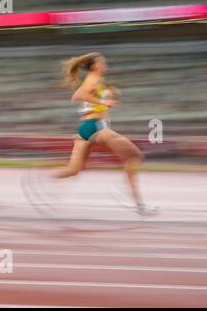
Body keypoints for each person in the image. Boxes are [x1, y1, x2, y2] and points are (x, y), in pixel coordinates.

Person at [52, 52, 154, 214]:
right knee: (135, 156)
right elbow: (78, 95)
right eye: (102, 62)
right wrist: (103, 101)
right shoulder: (93, 78)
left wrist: (109, 94)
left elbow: (90, 97)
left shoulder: (97, 82)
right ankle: (136, 201)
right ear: (94, 66)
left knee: (73, 170)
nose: (105, 65)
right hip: (96, 127)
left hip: (86, 128)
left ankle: (44, 179)